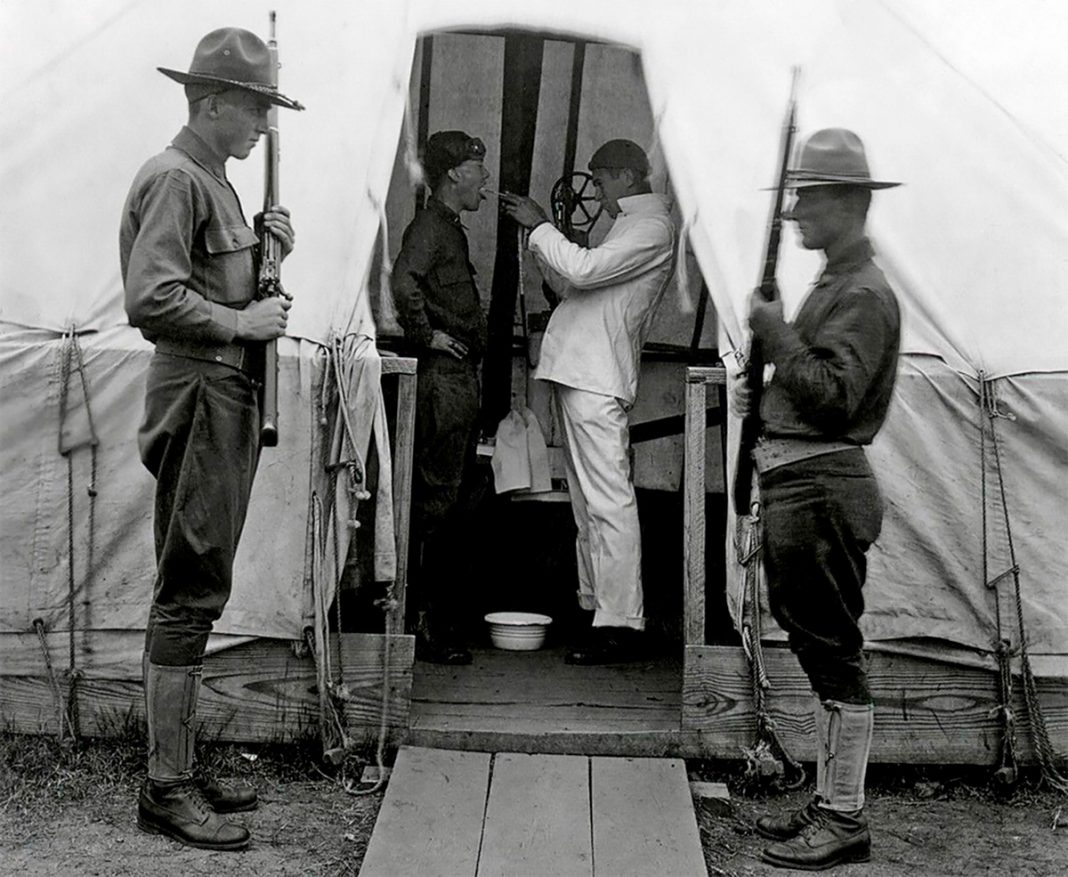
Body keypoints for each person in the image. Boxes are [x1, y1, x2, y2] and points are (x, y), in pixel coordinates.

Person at [120, 27, 302, 851]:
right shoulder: (175, 179)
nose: (263, 122)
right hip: (198, 390)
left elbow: (214, 280)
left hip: (222, 392)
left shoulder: (215, 183)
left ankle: (180, 767)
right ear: (213, 100)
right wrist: (241, 319)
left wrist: (269, 254)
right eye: (255, 106)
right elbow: (152, 298)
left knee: (203, 578)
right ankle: (165, 785)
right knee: (189, 584)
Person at [730, 128, 902, 871]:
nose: (796, 211)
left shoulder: (863, 294)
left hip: (822, 488)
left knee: (833, 655)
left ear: (848, 203)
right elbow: (810, 387)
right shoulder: (837, 284)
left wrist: (776, 335)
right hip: (803, 485)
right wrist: (765, 389)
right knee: (818, 648)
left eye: (809, 198)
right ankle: (836, 802)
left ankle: (845, 816)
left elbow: (835, 397)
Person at [500, 139, 676, 665]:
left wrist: (541, 227)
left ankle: (620, 623)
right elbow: (577, 285)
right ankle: (598, 610)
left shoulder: (651, 227)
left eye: (599, 182)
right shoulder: (625, 227)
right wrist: (553, 244)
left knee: (608, 501)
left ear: (626, 176)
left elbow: (583, 273)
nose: (594, 192)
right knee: (589, 505)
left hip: (597, 377)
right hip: (582, 373)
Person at [392, 131, 491, 665]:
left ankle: (426, 621)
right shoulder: (431, 228)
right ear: (455, 174)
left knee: (446, 501)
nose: (486, 179)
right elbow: (402, 280)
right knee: (434, 504)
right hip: (442, 382)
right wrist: (425, 335)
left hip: (457, 381)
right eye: (479, 168)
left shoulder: (449, 230)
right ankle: (417, 627)